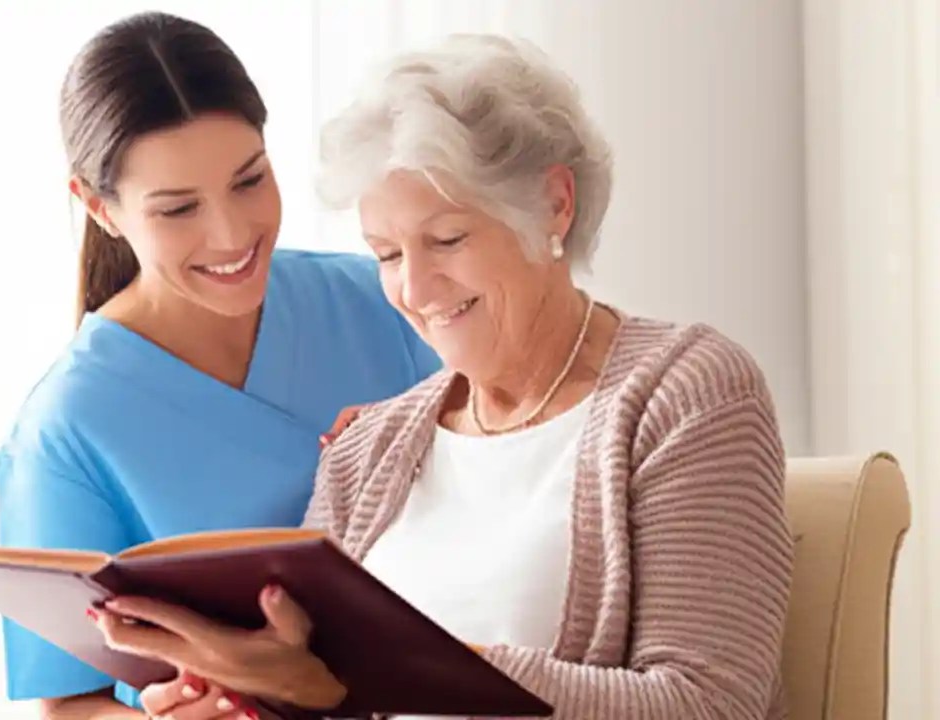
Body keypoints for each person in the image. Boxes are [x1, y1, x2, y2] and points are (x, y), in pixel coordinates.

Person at [91, 33, 795, 719]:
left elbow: (710, 703)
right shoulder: (368, 449)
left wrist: (403, 667)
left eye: (448, 240)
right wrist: (242, 702)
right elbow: (318, 691)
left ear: (554, 204)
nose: (416, 288)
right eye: (387, 254)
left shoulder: (688, 395)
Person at [0, 11, 442, 719]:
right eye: (177, 210)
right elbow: (67, 706)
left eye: (249, 180)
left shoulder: (388, 301)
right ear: (97, 206)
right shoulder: (67, 427)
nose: (232, 235)